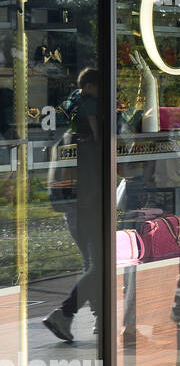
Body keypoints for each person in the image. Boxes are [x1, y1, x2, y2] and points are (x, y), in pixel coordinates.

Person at [43, 68, 103, 343]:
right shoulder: (88, 112)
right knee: (98, 265)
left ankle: (99, 319)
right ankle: (64, 313)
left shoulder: (68, 123)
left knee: (92, 264)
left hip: (72, 206)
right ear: (92, 87)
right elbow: (103, 143)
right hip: (89, 204)